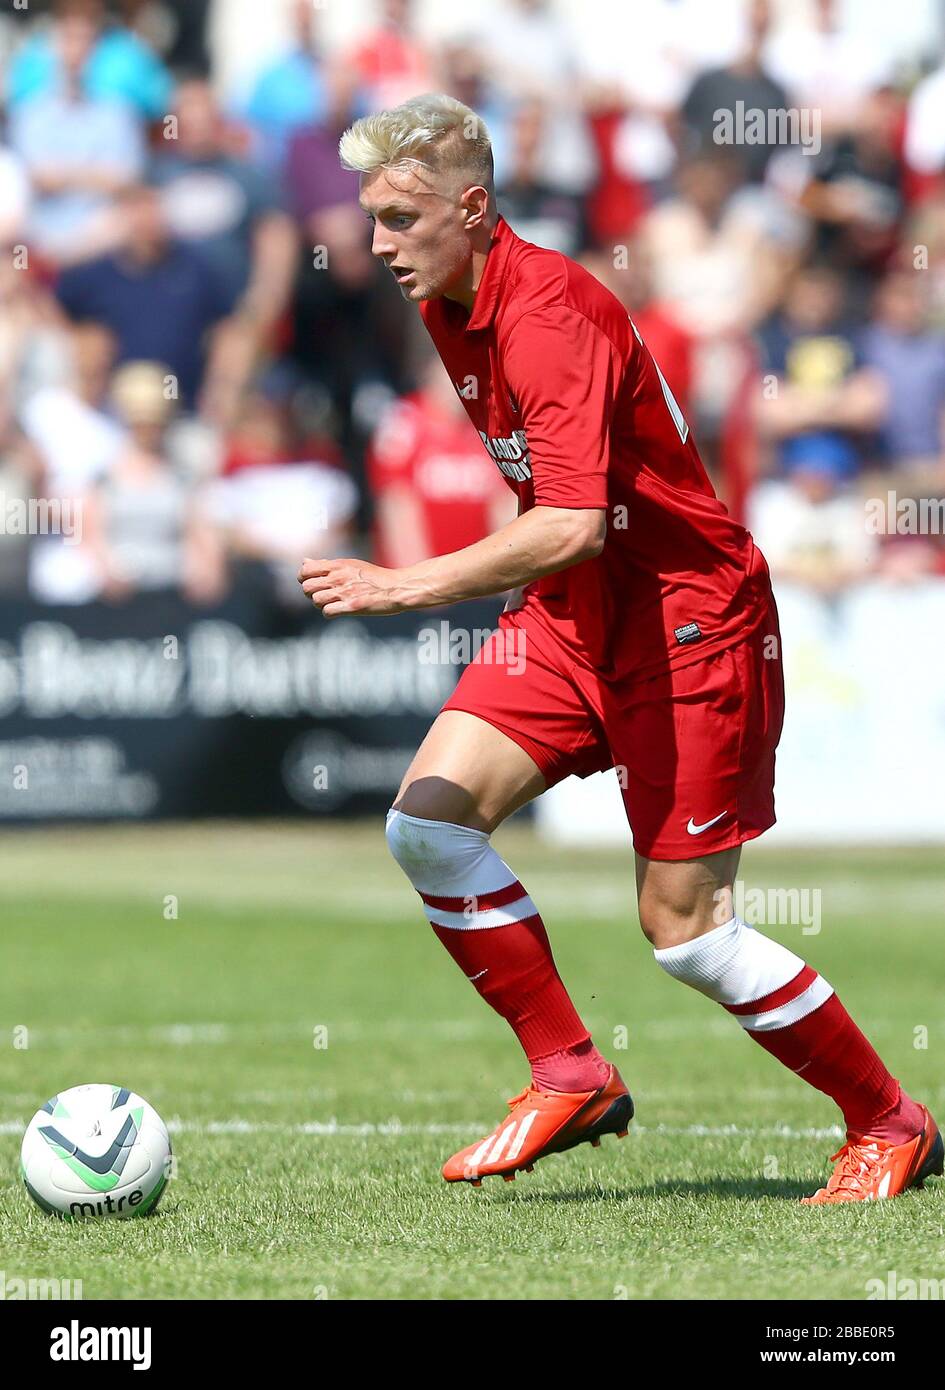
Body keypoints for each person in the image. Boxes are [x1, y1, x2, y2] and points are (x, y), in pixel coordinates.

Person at [298, 94, 941, 1204]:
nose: (375, 243)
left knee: (686, 934)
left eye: (400, 218)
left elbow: (572, 521)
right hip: (573, 615)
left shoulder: (543, 311)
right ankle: (571, 1071)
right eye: (370, 218)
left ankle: (891, 1121)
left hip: (688, 621)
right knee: (428, 826)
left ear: (474, 205)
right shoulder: (451, 296)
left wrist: (406, 581)